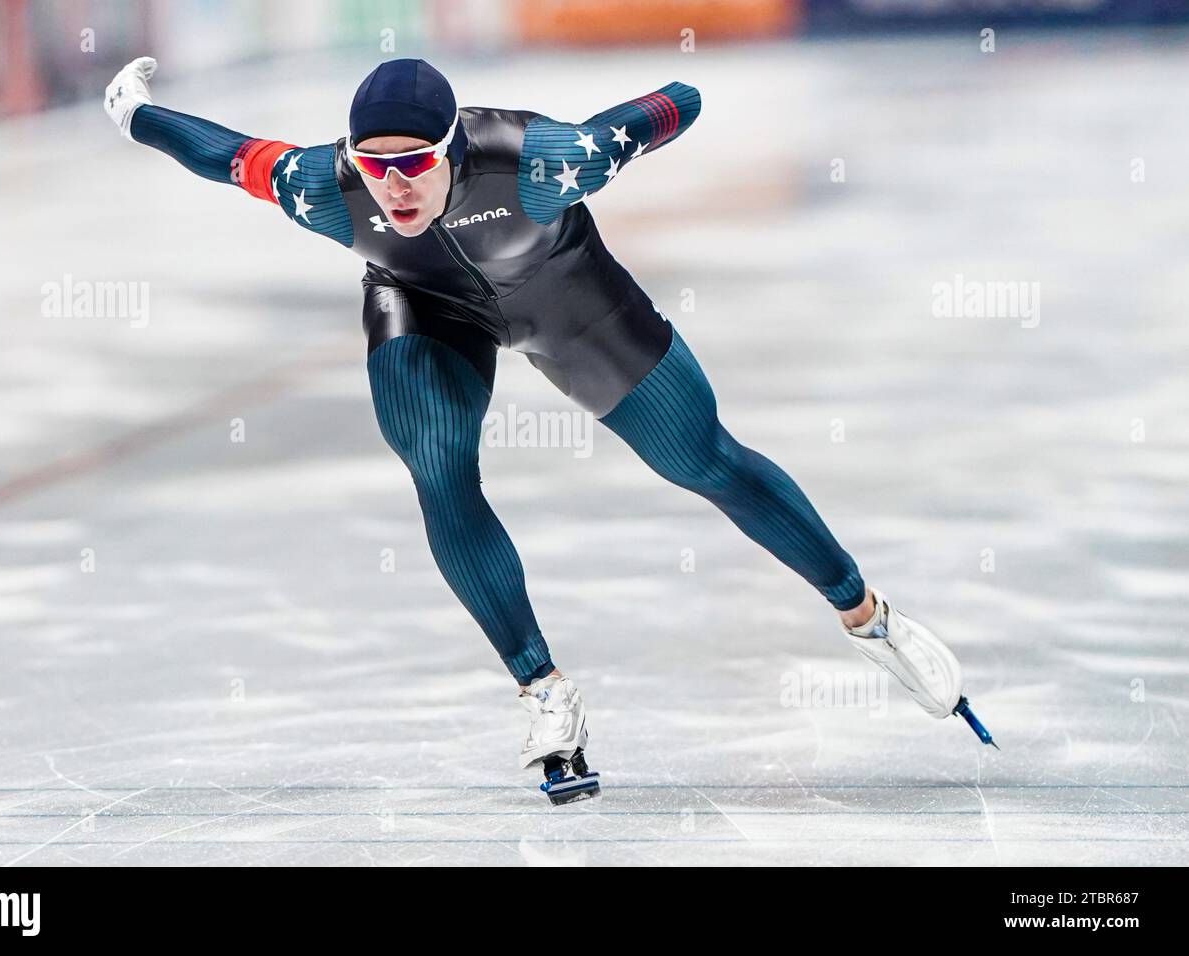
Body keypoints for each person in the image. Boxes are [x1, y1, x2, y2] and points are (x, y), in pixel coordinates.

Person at [104, 56, 994, 804]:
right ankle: (543, 688)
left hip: (571, 301)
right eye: (376, 167)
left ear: (453, 147)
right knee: (438, 464)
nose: (396, 185)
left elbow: (667, 110)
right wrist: (135, 112)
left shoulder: (541, 161)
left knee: (704, 461)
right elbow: (221, 155)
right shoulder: (322, 187)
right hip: (423, 306)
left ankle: (868, 618)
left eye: (415, 161)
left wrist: (668, 104)